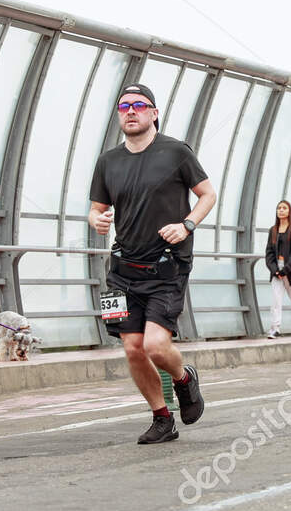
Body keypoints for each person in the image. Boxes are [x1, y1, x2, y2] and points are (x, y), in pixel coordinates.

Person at [89, 84, 214, 444]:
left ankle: (184, 379)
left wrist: (187, 224)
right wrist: (94, 220)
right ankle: (162, 418)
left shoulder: (176, 152)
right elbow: (97, 208)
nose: (131, 111)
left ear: (154, 113)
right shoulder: (108, 161)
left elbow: (208, 194)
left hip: (167, 265)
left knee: (155, 346)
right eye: (124, 106)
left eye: (139, 106)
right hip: (123, 269)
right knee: (132, 347)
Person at [264, 200, 291, 337]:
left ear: (289, 211)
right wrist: (274, 270)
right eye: (279, 208)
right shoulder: (273, 230)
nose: (281, 210)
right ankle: (275, 328)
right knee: (276, 300)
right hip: (277, 271)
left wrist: (285, 270)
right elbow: (269, 253)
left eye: (284, 208)